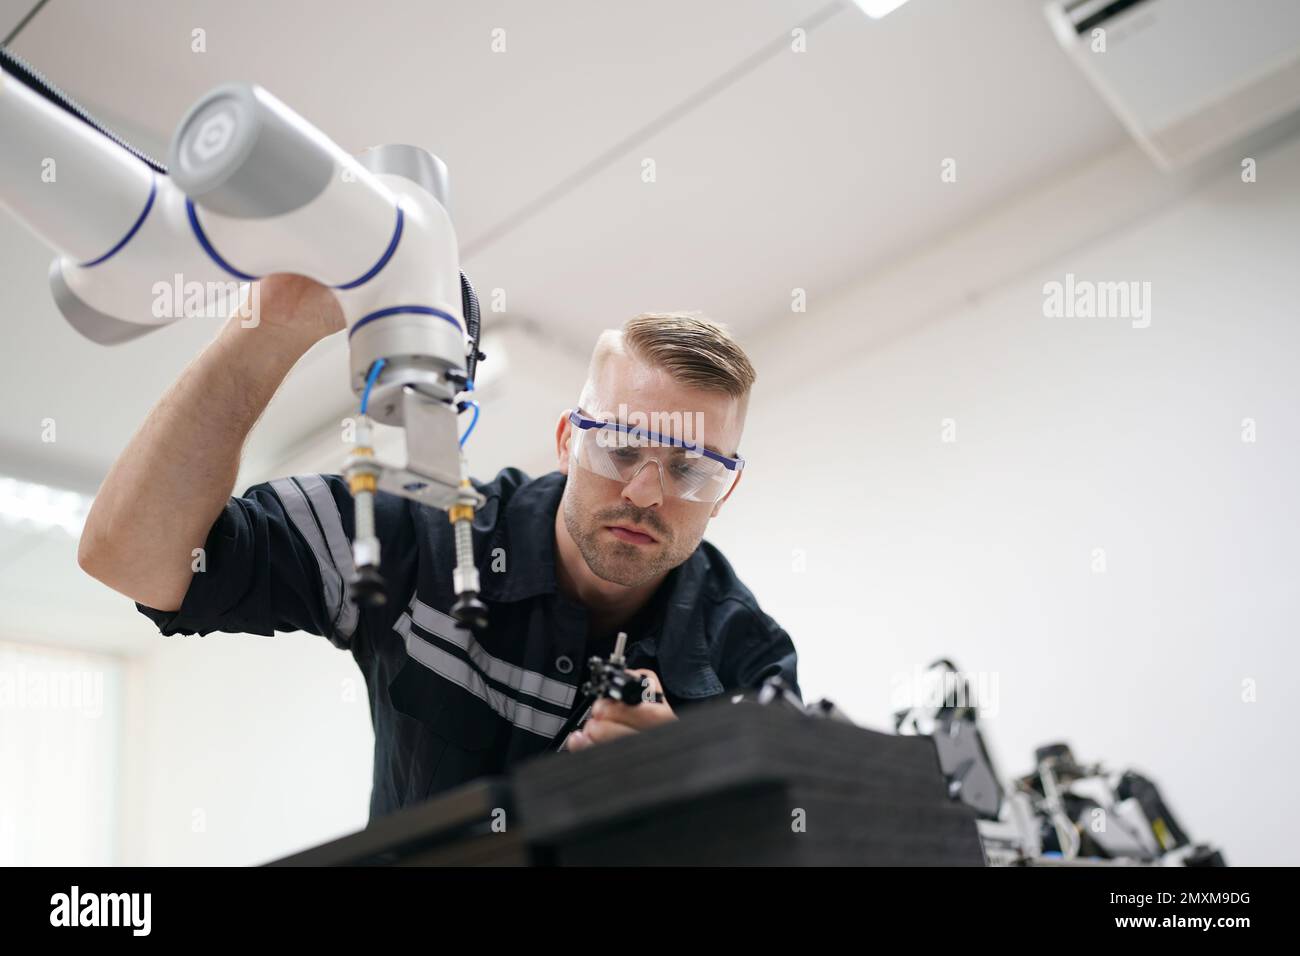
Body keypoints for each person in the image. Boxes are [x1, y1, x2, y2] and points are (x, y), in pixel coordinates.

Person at [77, 274, 799, 821]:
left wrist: (690, 782)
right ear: (565, 442)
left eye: (691, 471)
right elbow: (130, 554)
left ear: (725, 492)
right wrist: (277, 319)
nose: (645, 492)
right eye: (618, 447)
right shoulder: (418, 543)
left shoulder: (745, 659)